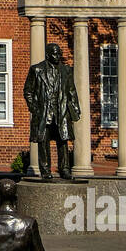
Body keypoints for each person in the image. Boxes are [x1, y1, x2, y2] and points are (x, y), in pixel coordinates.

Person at [23, 41, 81, 180]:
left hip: (61, 111)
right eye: (55, 53)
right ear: (48, 55)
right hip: (44, 112)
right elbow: (28, 91)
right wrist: (34, 108)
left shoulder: (66, 70)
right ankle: (45, 170)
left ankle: (65, 169)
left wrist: (76, 109)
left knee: (63, 141)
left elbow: (71, 91)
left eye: (59, 53)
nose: (58, 56)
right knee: (43, 142)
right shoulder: (36, 70)